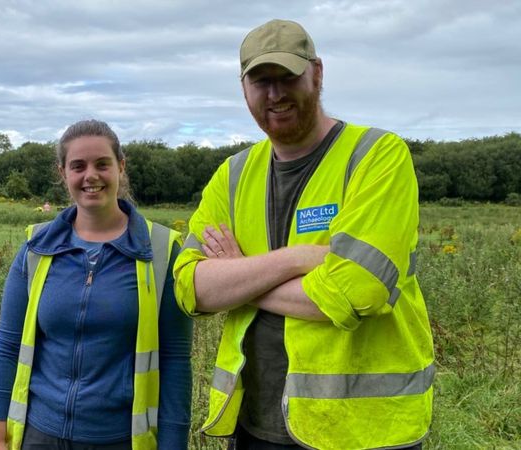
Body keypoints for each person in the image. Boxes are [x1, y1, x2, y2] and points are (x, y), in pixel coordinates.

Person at [173, 19, 434, 449]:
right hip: (256, 426)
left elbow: (357, 291)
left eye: (287, 77)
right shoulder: (233, 175)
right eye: (261, 81)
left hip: (363, 431)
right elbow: (190, 287)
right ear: (244, 89)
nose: (275, 94)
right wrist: (296, 259)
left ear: (317, 73)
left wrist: (237, 278)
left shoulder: (376, 157)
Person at [0, 119, 192, 449]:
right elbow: (7, 346)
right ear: (63, 173)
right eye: (77, 166)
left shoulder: (163, 251)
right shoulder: (36, 248)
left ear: (120, 167)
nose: (90, 176)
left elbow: (175, 359)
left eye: (102, 164)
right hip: (38, 437)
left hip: (119, 439)